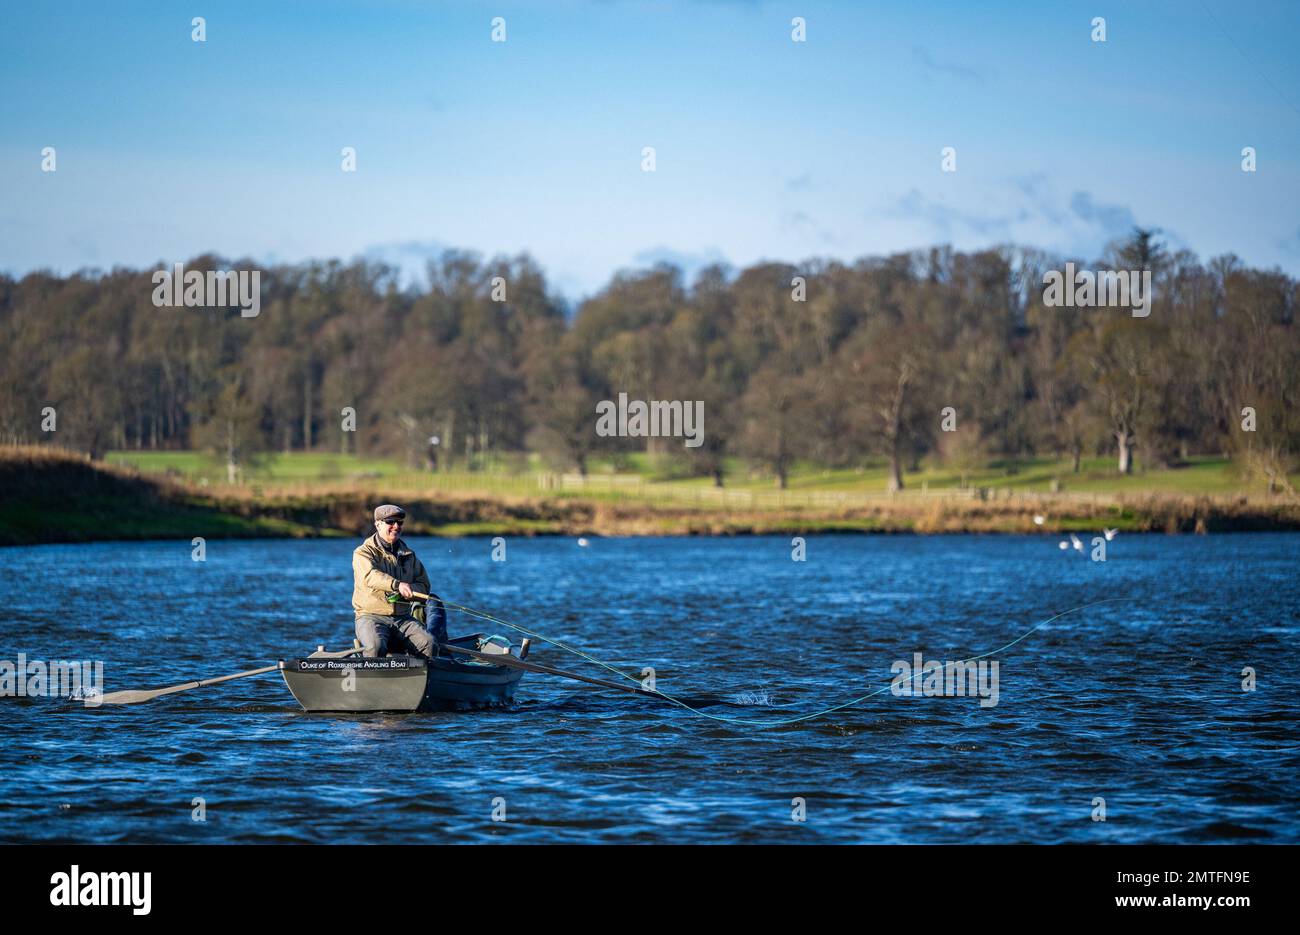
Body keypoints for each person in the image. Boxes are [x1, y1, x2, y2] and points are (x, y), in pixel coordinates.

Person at [351, 504, 447, 658]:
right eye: (390, 522)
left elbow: (424, 585)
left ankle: (418, 676)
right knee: (376, 647)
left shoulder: (409, 555)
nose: (396, 526)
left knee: (430, 644)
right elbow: (370, 576)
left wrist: (411, 591)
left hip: (403, 618)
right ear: (378, 524)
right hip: (370, 616)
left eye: (400, 523)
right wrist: (397, 585)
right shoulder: (363, 552)